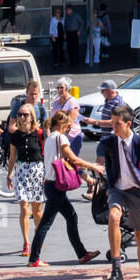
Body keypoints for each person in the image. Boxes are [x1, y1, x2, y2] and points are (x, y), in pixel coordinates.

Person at [28, 110, 102, 268]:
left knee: (71, 217)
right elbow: (73, 159)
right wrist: (93, 166)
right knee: (46, 223)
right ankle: (34, 258)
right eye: (68, 126)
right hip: (56, 186)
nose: (69, 130)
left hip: (51, 184)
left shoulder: (49, 138)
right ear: (61, 125)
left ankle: (82, 254)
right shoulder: (59, 137)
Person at [99, 104, 140, 280]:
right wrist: (110, 186)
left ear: (128, 123)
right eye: (112, 123)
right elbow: (109, 165)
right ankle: (116, 268)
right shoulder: (109, 143)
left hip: (138, 191)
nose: (113, 128)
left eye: (117, 124)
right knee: (113, 217)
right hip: (119, 188)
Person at [6, 102, 45, 256]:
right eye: (20, 115)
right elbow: (12, 156)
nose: (22, 117)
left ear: (31, 117)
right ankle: (26, 242)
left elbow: (47, 155)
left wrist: (48, 175)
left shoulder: (40, 133)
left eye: (25, 114)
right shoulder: (15, 135)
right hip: (22, 170)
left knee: (37, 210)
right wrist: (9, 174)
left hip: (38, 170)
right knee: (23, 206)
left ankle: (38, 238)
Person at [51, 78, 83, 157]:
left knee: (71, 161)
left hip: (72, 136)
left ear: (67, 89)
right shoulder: (56, 102)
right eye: (57, 88)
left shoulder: (72, 102)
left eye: (61, 87)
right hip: (60, 136)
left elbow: (70, 121)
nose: (59, 90)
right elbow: (52, 118)